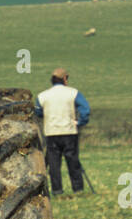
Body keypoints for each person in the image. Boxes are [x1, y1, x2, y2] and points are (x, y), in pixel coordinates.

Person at [34, 67, 90, 196]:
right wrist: (81, 122)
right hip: (69, 132)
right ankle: (78, 189)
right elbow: (85, 109)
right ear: (65, 78)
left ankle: (57, 190)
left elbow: (37, 112)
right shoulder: (73, 93)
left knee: (54, 164)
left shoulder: (42, 96)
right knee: (73, 161)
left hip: (51, 133)